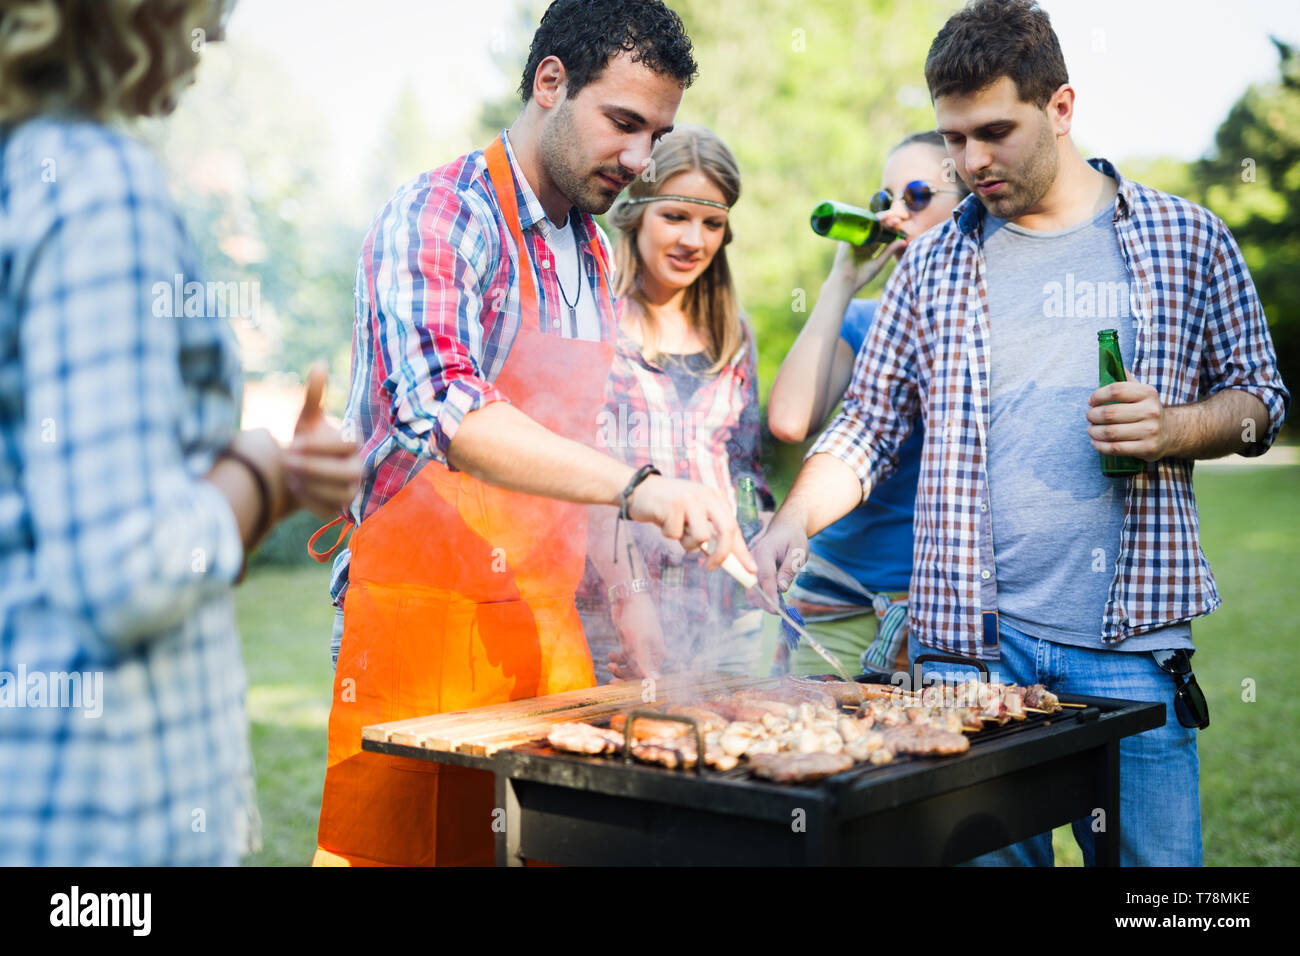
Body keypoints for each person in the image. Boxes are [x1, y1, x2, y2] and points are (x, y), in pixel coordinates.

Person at [752, 0, 1289, 866]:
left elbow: (1262, 400)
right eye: (954, 138)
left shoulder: (1189, 239)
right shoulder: (930, 264)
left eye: (994, 131)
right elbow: (867, 427)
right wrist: (791, 523)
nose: (971, 161)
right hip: (967, 655)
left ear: (1062, 107)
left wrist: (1178, 426)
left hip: (1130, 646)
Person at [312, 0, 755, 867]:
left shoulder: (590, 249)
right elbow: (451, 412)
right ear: (551, 81)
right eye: (622, 123)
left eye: (653, 135)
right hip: (420, 624)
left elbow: (571, 442)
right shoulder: (441, 215)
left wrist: (630, 603)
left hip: (546, 629)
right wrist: (643, 487)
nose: (638, 160)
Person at [0, 0, 362, 865]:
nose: (222, 32)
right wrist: (262, 468)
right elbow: (127, 570)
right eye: (212, 6)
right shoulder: (97, 185)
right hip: (104, 820)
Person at [768, 131, 967, 679]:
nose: (895, 216)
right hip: (841, 592)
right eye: (885, 201)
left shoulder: (993, 319)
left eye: (918, 197)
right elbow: (789, 421)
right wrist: (842, 282)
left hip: (944, 607)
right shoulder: (865, 319)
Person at [579, 124, 774, 682]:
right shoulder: (596, 323)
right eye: (676, 217)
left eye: (713, 223)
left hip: (720, 616)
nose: (695, 240)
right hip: (613, 614)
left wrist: (764, 549)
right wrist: (629, 593)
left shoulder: (733, 336)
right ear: (636, 211)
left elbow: (746, 473)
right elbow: (583, 476)